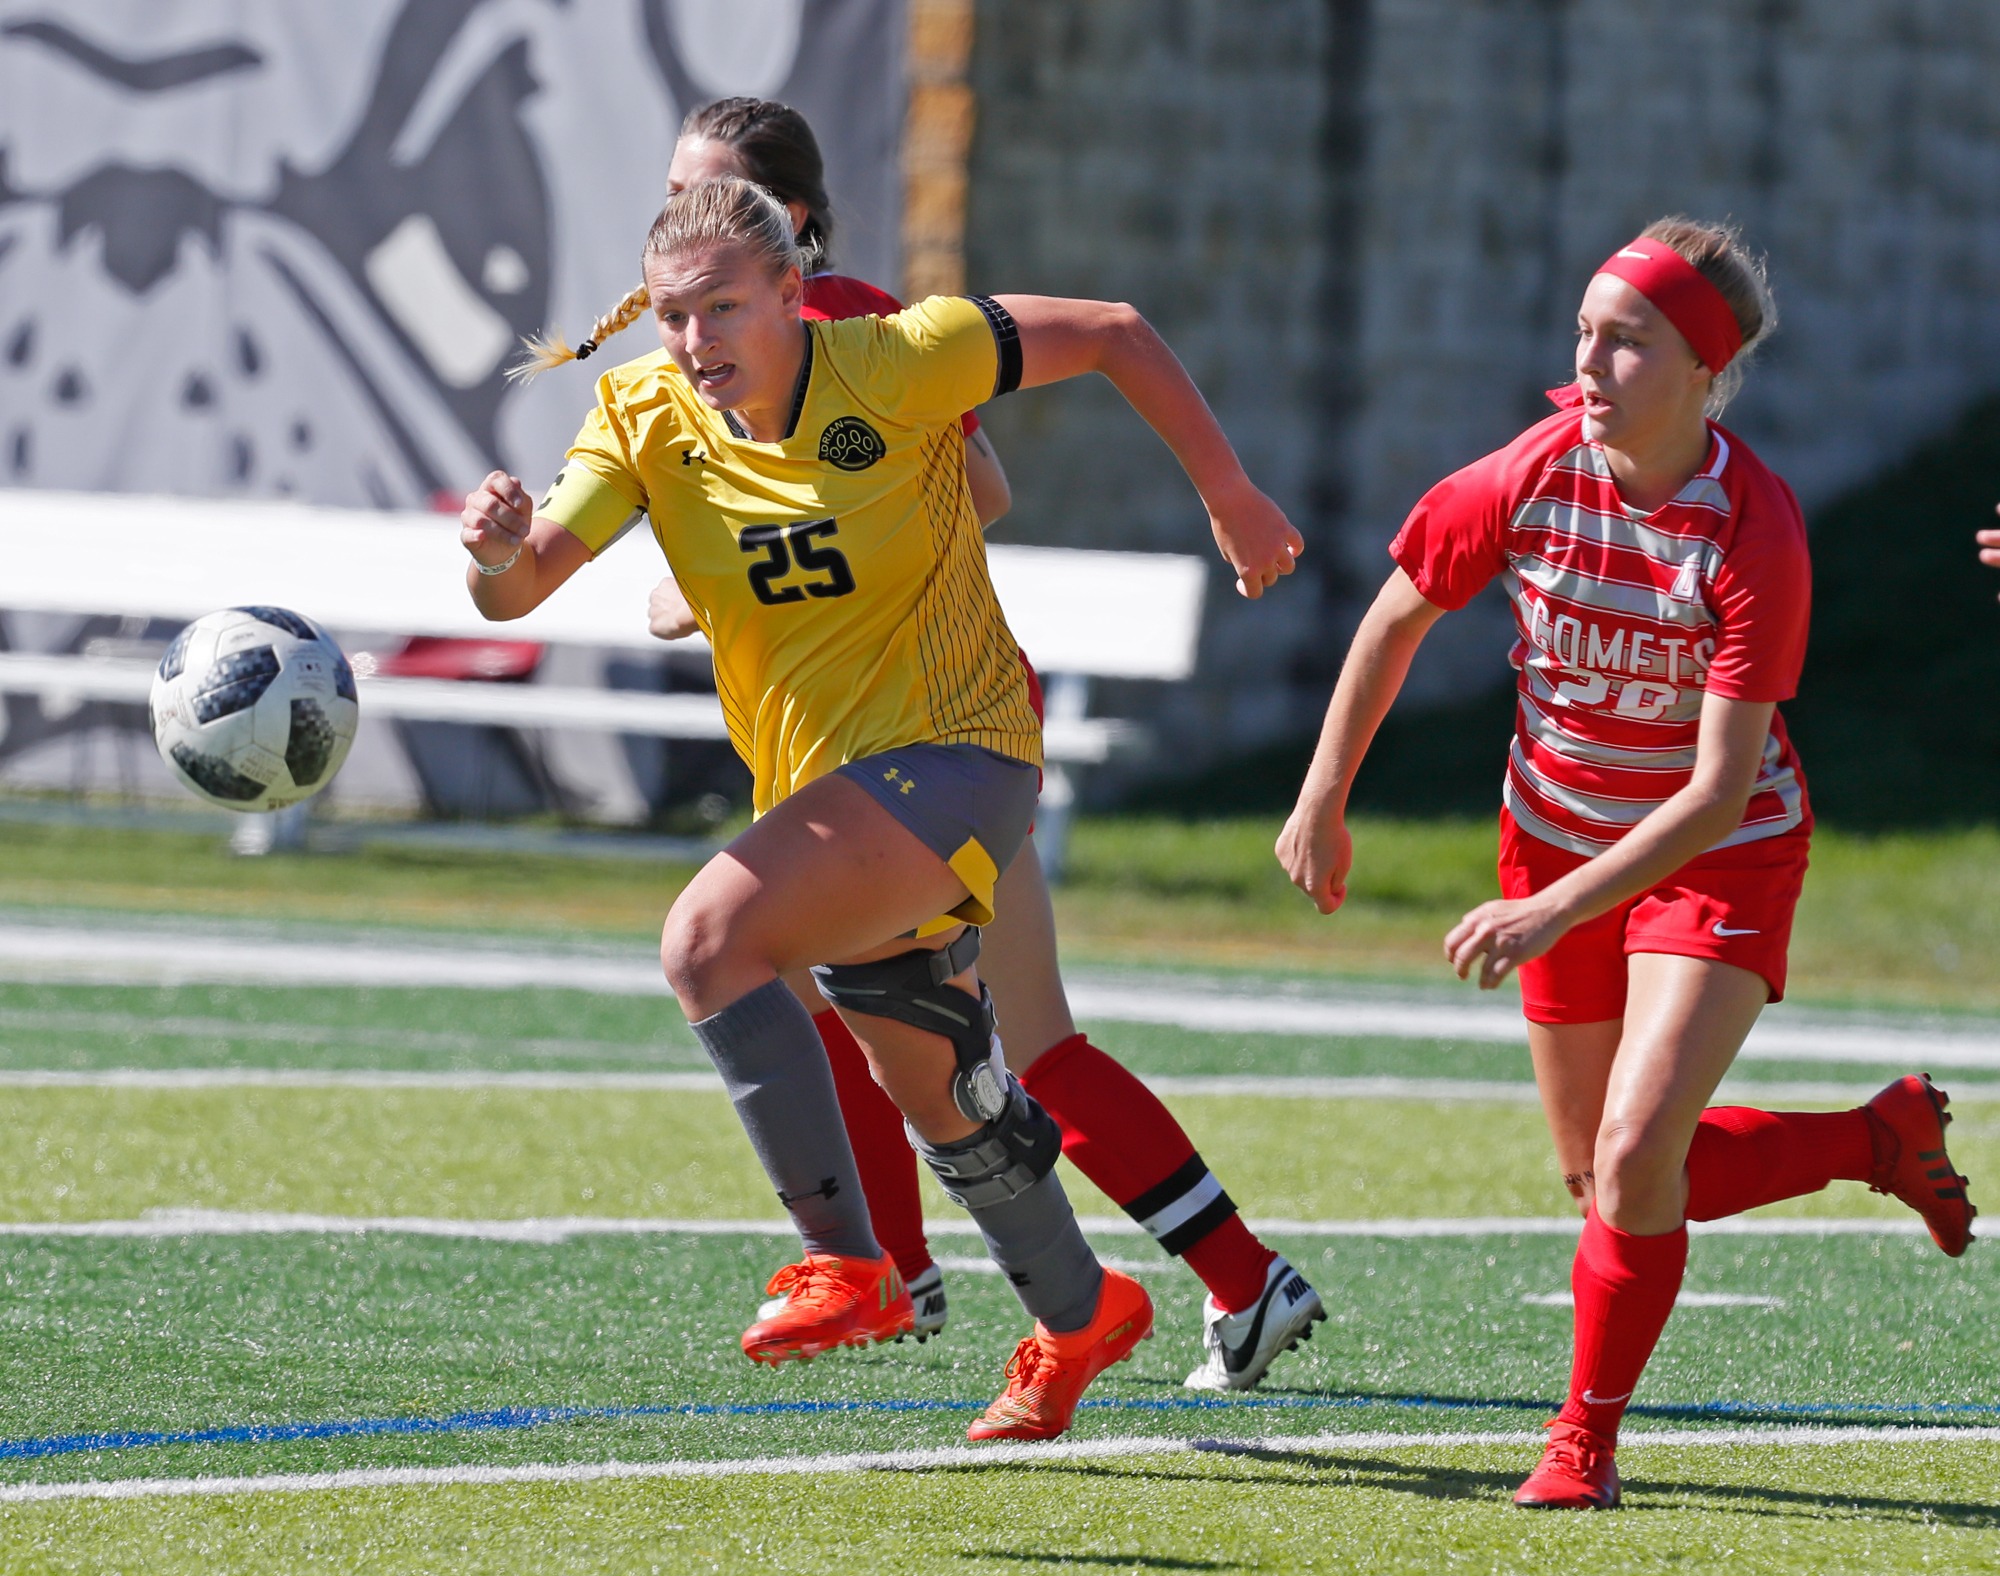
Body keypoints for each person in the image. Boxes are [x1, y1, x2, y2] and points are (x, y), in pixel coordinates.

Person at [461, 175, 1303, 1443]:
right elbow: (521, 590)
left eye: (725, 309)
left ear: (795, 293)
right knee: (945, 1095)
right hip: (834, 803)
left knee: (704, 941)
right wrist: (491, 552)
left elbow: (1118, 330)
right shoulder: (639, 417)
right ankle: (1081, 1314)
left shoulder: (904, 359)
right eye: (675, 317)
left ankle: (848, 1266)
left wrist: (1226, 491)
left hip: (965, 755)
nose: (697, 343)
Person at [1277, 219, 1976, 1508]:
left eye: (1627, 341)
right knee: (1606, 1175)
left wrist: (1547, 909)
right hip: (1551, 834)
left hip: (1717, 860)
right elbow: (1397, 612)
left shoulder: (1751, 528)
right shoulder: (1532, 471)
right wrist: (1322, 796)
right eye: (1583, 333)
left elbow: (1716, 792)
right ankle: (1873, 1139)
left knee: (1641, 1143)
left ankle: (1580, 1442)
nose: (1589, 364)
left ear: (1705, 372)